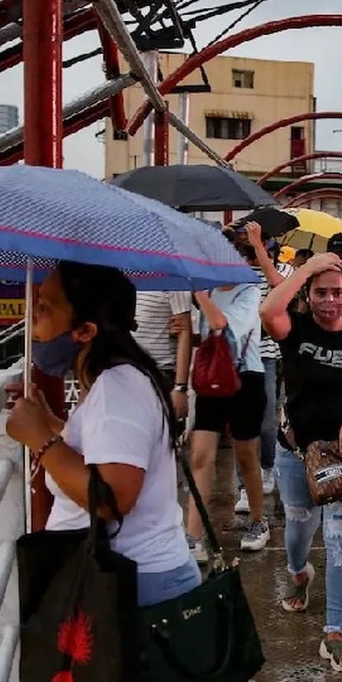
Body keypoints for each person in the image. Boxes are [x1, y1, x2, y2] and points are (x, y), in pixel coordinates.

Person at [7, 261, 201, 682]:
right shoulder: (116, 382)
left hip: (132, 597)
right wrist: (54, 427)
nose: (32, 316)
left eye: (45, 306)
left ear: (86, 330)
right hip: (144, 586)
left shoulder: (117, 388)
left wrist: (43, 441)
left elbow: (112, 498)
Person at [261, 251, 342, 673]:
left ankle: (334, 632)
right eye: (321, 292)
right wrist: (309, 266)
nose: (329, 300)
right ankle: (299, 573)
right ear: (309, 293)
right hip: (296, 453)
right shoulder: (294, 329)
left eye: (337, 292)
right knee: (298, 526)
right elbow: (268, 308)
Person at [186, 267, 269, 557]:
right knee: (200, 457)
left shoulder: (250, 291)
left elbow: (222, 323)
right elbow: (206, 334)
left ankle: (259, 520)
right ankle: (193, 535)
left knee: (246, 455)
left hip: (246, 379)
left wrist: (199, 296)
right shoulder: (208, 293)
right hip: (212, 379)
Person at [230, 222, 293, 512]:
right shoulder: (236, 269)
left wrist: (258, 247)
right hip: (236, 357)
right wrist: (225, 238)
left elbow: (279, 286)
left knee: (267, 420)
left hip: (266, 356)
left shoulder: (282, 270)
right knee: (241, 427)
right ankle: (245, 485)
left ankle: (267, 467)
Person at [131, 290, 192, 436]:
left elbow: (184, 330)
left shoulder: (172, 276)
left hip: (161, 373)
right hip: (127, 372)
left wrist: (180, 387)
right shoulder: (127, 274)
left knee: (161, 441)